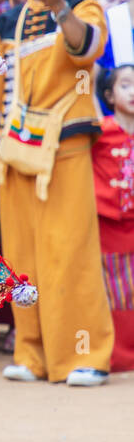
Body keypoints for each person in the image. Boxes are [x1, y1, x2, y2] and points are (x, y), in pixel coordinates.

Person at [0, 0, 114, 386]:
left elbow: (84, 49)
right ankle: (32, 353)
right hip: (15, 149)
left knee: (68, 252)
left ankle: (84, 354)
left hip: (64, 148)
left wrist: (61, 11)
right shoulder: (6, 21)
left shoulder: (85, 7)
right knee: (24, 256)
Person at [92, 64, 134, 372]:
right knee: (118, 290)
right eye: (125, 85)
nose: (133, 92)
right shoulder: (101, 131)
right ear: (109, 94)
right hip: (108, 225)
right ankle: (119, 355)